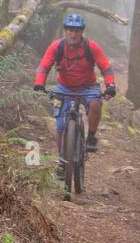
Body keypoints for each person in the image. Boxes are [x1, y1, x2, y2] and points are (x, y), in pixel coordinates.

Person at [33, 13, 116, 178]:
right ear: (65, 31)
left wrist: (110, 85)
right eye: (70, 30)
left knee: (95, 104)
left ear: (82, 32)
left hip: (88, 87)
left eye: (76, 31)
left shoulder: (91, 46)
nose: (73, 34)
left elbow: (105, 67)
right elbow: (44, 65)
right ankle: (63, 162)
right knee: (60, 128)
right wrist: (39, 82)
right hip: (63, 88)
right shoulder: (57, 46)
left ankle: (91, 137)